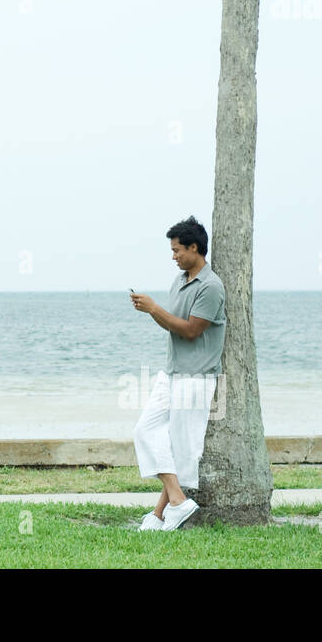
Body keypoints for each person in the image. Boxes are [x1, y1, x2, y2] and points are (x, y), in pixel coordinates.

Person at [129, 215, 226, 531]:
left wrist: (155, 309)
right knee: (144, 431)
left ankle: (160, 514)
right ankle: (176, 503)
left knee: (182, 449)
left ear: (194, 248)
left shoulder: (211, 286)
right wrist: (152, 312)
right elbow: (172, 323)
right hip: (171, 374)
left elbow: (191, 331)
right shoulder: (180, 280)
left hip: (196, 378)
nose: (173, 257)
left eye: (177, 251)